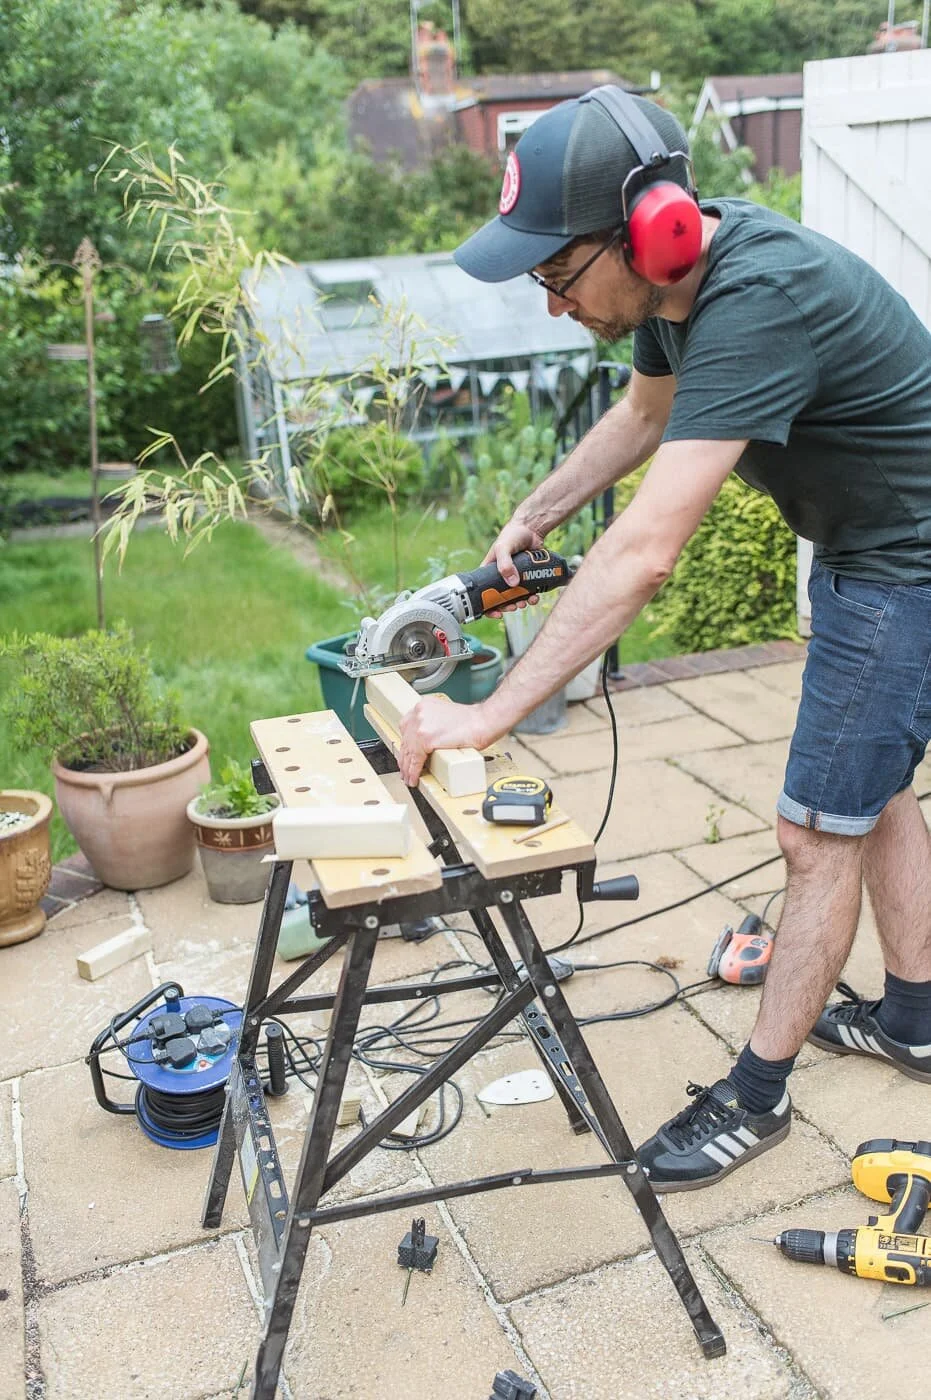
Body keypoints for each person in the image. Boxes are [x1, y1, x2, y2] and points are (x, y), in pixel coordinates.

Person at [397, 86, 931, 1191]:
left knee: (811, 832)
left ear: (653, 230)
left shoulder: (755, 300)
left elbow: (644, 554)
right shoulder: (673, 285)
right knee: (868, 790)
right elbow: (643, 415)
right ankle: (915, 1020)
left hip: (906, 566)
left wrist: (490, 713)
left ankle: (755, 1096)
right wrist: (540, 509)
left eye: (555, 273)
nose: (552, 304)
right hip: (869, 543)